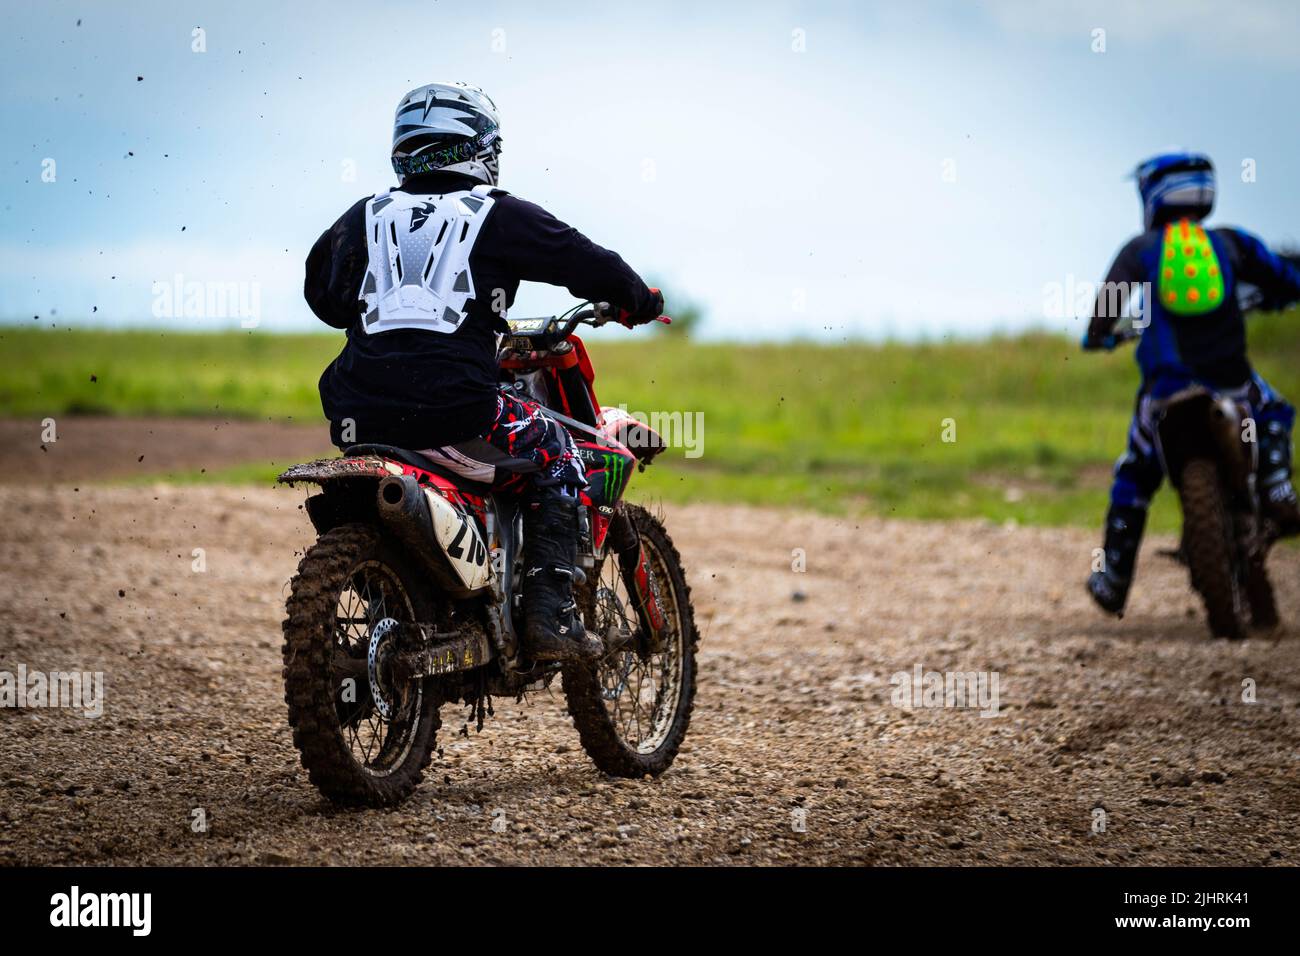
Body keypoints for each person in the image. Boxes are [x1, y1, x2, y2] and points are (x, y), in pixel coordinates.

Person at [303, 82, 664, 661]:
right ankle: (552, 617)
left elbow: (324, 300)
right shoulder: (497, 213)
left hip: (356, 408)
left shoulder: (361, 217)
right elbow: (583, 261)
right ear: (480, 145)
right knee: (559, 453)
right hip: (455, 408)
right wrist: (637, 299)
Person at [1082, 151, 1300, 616]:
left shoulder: (1140, 249)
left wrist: (1098, 337)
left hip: (1165, 392)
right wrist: (1281, 295)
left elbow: (1105, 310)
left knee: (1135, 473)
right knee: (1276, 411)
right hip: (1232, 385)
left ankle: (1115, 577)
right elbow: (1285, 278)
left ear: (1152, 196)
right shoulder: (1231, 243)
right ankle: (1278, 485)